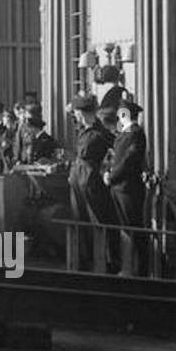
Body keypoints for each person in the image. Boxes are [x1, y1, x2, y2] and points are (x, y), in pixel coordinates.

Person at [68, 93, 114, 270]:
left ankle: (103, 260)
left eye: (77, 112)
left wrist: (108, 170)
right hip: (77, 177)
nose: (75, 116)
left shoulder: (100, 132)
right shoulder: (83, 131)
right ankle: (84, 259)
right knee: (79, 218)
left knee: (95, 217)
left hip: (90, 177)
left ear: (84, 112)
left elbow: (117, 150)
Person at [105, 101, 148, 274]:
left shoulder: (136, 133)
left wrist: (112, 176)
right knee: (124, 228)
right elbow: (118, 159)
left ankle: (141, 269)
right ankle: (128, 266)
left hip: (128, 188)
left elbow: (128, 161)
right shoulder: (125, 133)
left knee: (133, 227)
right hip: (119, 187)